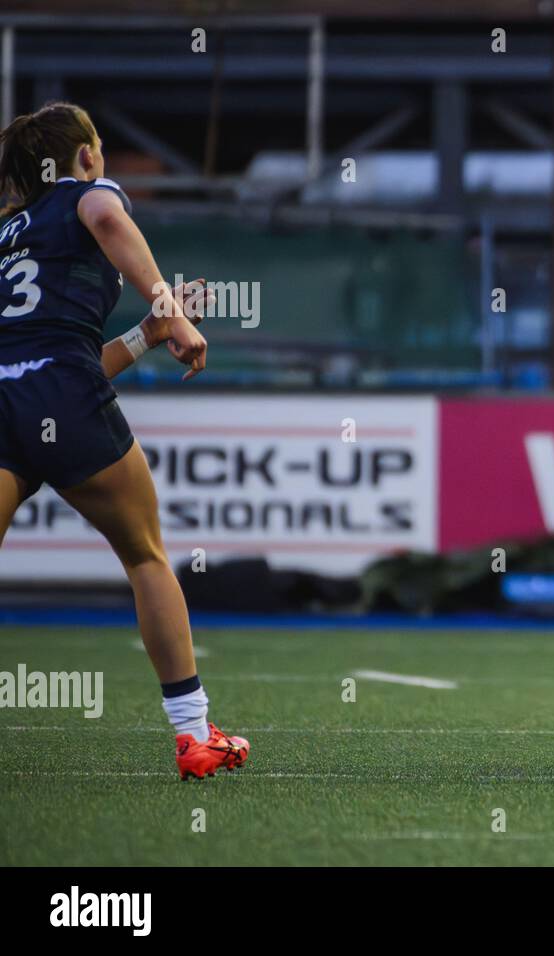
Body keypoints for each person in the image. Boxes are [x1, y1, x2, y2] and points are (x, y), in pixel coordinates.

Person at [0, 102, 248, 781]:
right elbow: (108, 219)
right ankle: (194, 735)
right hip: (61, 393)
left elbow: (49, 351)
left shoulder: (7, 233)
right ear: (83, 156)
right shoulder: (90, 195)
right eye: (99, 147)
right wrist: (172, 310)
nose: (101, 159)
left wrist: (146, 332)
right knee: (144, 555)